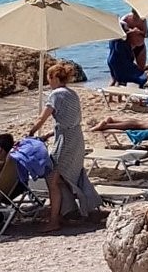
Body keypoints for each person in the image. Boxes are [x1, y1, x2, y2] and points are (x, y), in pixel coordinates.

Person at [28, 63, 100, 232]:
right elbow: (70, 121)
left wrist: (30, 133)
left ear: (54, 78)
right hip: (76, 138)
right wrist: (50, 134)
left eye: (49, 77)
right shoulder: (73, 94)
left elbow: (42, 118)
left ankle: (55, 220)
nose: (48, 81)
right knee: (64, 176)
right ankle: (65, 211)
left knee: (53, 178)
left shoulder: (55, 95)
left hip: (66, 141)